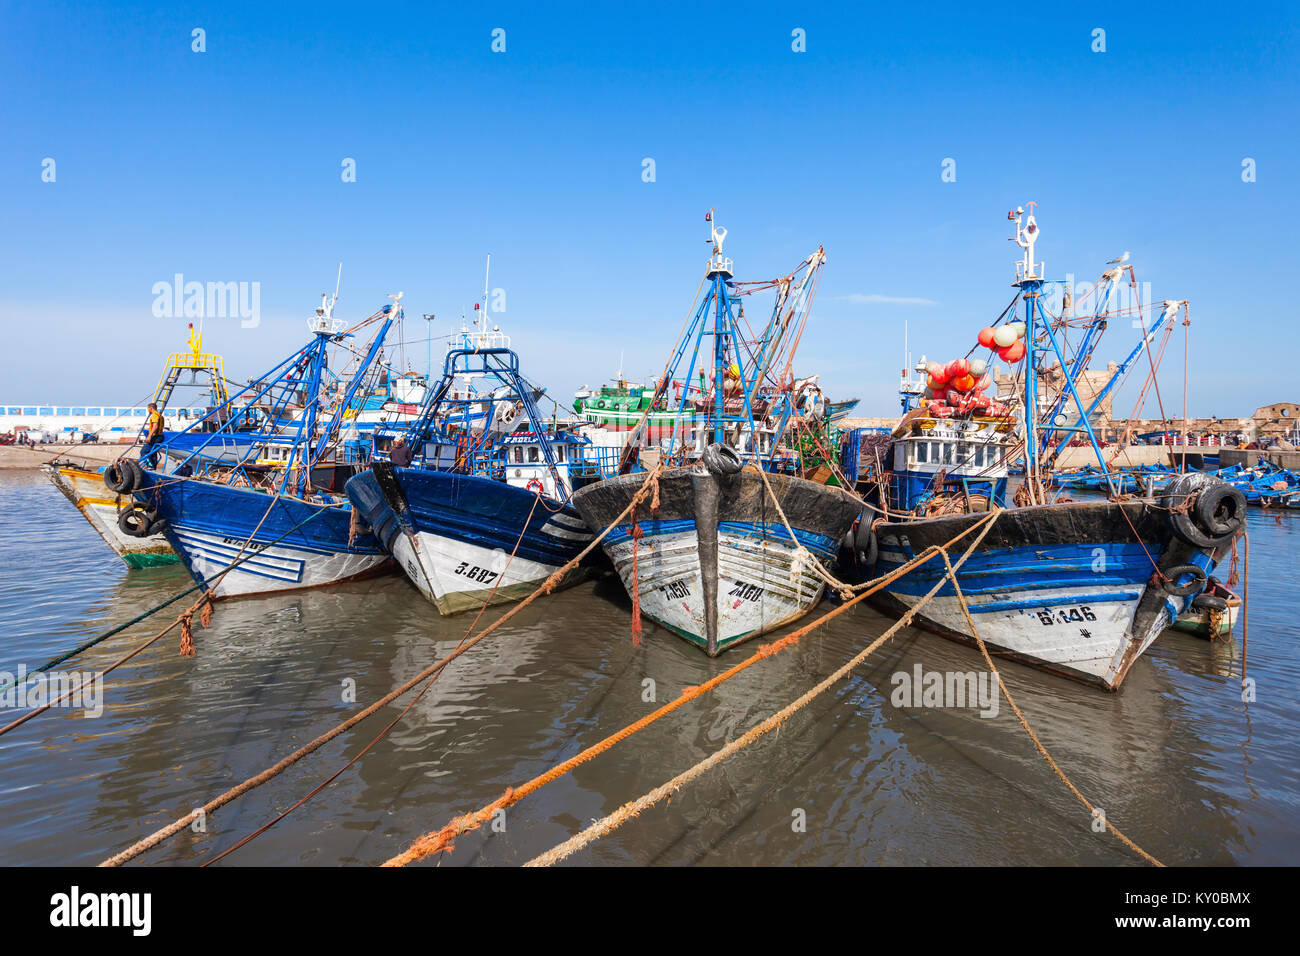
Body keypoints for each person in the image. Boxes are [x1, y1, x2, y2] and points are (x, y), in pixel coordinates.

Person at [141, 402, 165, 467]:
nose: (148, 410)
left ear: (151, 408)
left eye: (148, 409)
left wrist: (149, 436)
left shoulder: (154, 415)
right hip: (161, 436)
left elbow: (155, 426)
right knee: (153, 452)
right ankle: (153, 467)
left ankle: (150, 465)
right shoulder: (160, 415)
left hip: (156, 436)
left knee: (144, 451)